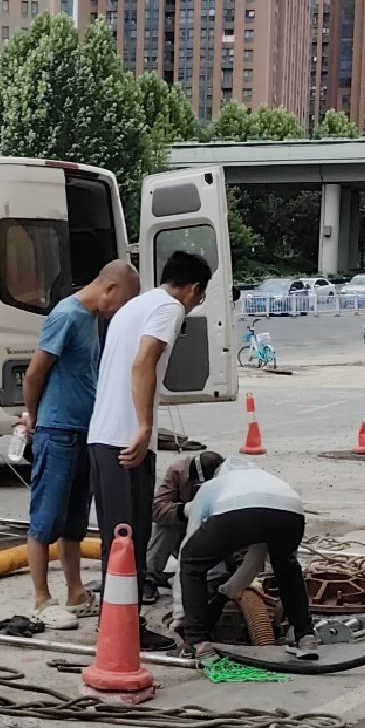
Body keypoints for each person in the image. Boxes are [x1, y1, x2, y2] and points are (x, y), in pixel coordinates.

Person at [19, 259, 139, 629]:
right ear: (110, 288)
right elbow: (34, 373)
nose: (118, 311)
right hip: (57, 430)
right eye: (121, 302)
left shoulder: (91, 319)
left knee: (74, 521)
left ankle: (75, 593)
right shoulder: (66, 316)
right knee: (45, 518)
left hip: (85, 431)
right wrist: (33, 418)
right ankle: (41, 599)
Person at [86, 248, 212, 588]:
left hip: (102, 437)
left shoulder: (133, 307)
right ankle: (126, 617)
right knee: (130, 540)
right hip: (126, 439)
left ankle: (117, 615)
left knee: (116, 540)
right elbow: (144, 362)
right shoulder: (170, 308)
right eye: (199, 298)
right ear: (194, 289)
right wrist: (144, 428)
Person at [179, 456, 318, 662]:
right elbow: (257, 558)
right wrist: (227, 591)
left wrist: (181, 618)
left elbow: (189, 546)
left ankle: (197, 642)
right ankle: (305, 637)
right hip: (290, 512)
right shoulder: (263, 477)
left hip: (236, 513)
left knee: (191, 562)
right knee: (287, 569)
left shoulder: (210, 487)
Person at [145, 448, 223, 598]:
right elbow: (156, 509)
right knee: (165, 526)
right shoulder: (178, 472)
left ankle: (211, 579)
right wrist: (184, 510)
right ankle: (149, 576)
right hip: (182, 530)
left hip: (211, 533)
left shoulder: (228, 480)